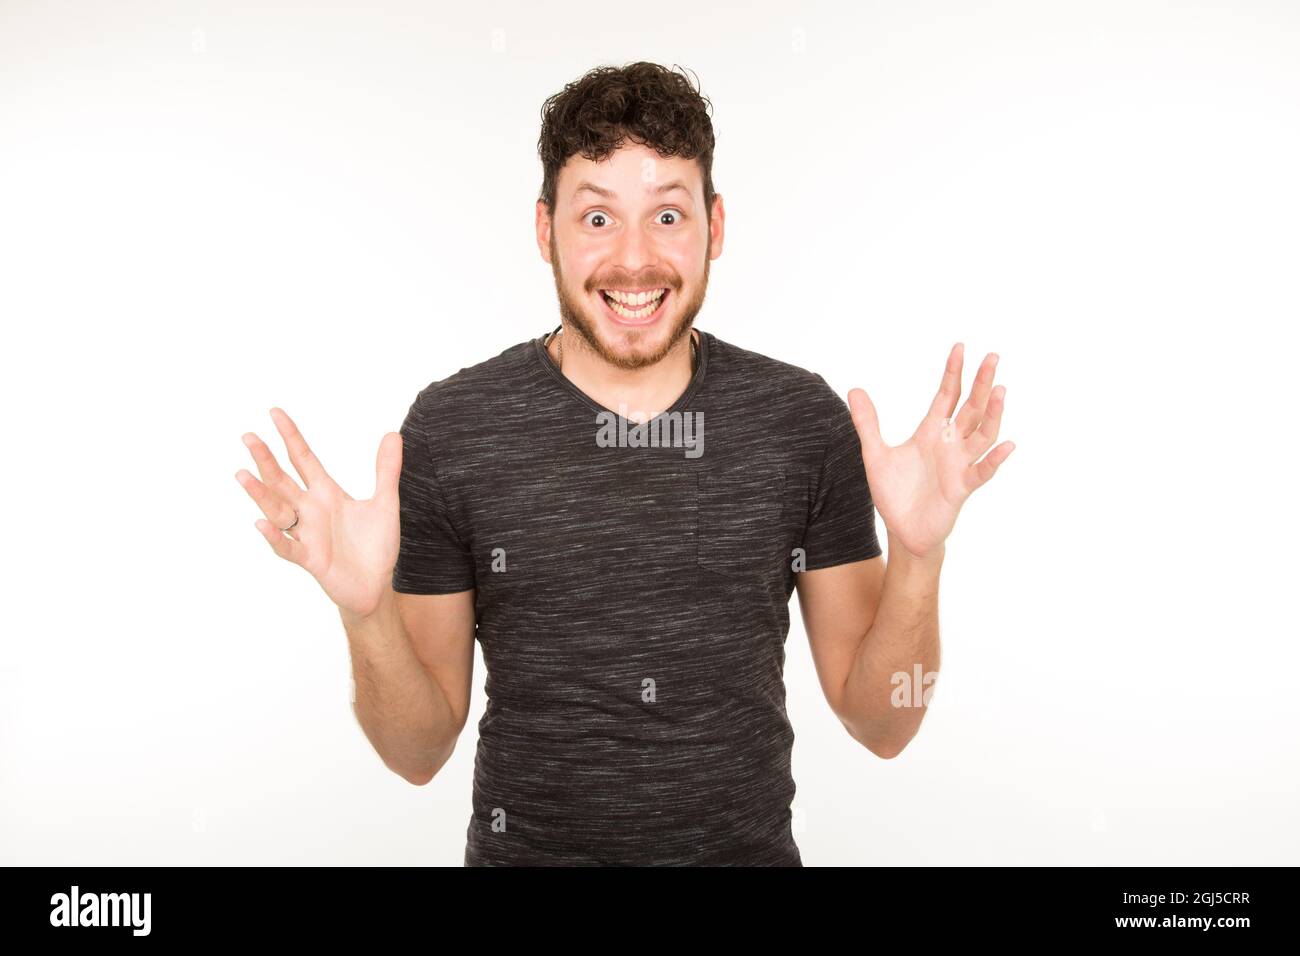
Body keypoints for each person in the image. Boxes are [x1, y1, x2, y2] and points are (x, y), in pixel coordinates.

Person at [234, 62, 1013, 866]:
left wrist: (919, 556)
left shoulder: (799, 422)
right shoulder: (453, 431)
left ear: (715, 224)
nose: (634, 261)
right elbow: (416, 751)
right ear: (546, 231)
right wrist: (366, 616)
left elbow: (882, 723)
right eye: (597, 219)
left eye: (668, 214)